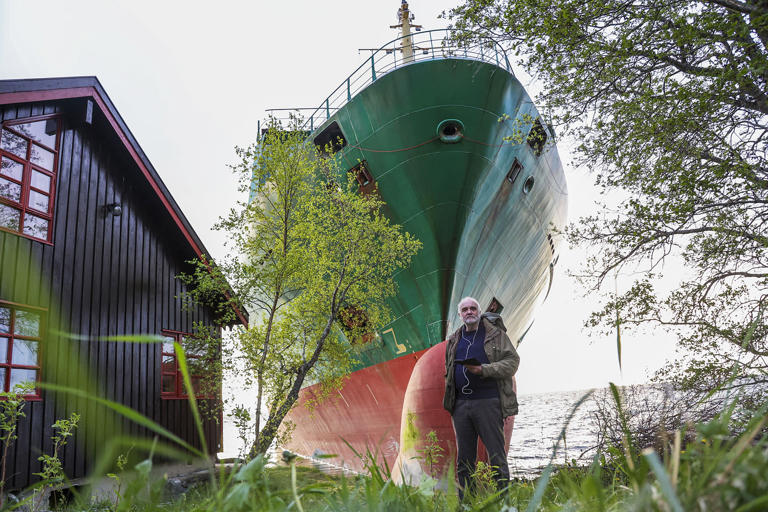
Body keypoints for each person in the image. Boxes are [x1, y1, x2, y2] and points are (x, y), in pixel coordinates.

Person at [443, 296, 520, 497]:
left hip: (488, 403)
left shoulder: (495, 334)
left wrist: (484, 369)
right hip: (461, 405)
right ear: (459, 314)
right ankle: (467, 503)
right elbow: (448, 370)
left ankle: (504, 502)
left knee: (496, 455)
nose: (469, 312)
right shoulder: (453, 340)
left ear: (479, 311)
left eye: (473, 309)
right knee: (464, 460)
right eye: (465, 310)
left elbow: (513, 361)